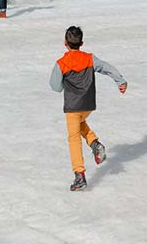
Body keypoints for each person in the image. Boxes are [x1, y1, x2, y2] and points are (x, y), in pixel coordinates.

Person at [50, 25, 128, 192]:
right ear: (82, 43)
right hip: (88, 105)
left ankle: (79, 175)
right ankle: (94, 144)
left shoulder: (61, 63)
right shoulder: (90, 59)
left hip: (72, 106)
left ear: (65, 43)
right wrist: (120, 81)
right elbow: (106, 67)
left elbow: (55, 87)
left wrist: (65, 80)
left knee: (74, 138)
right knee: (79, 124)